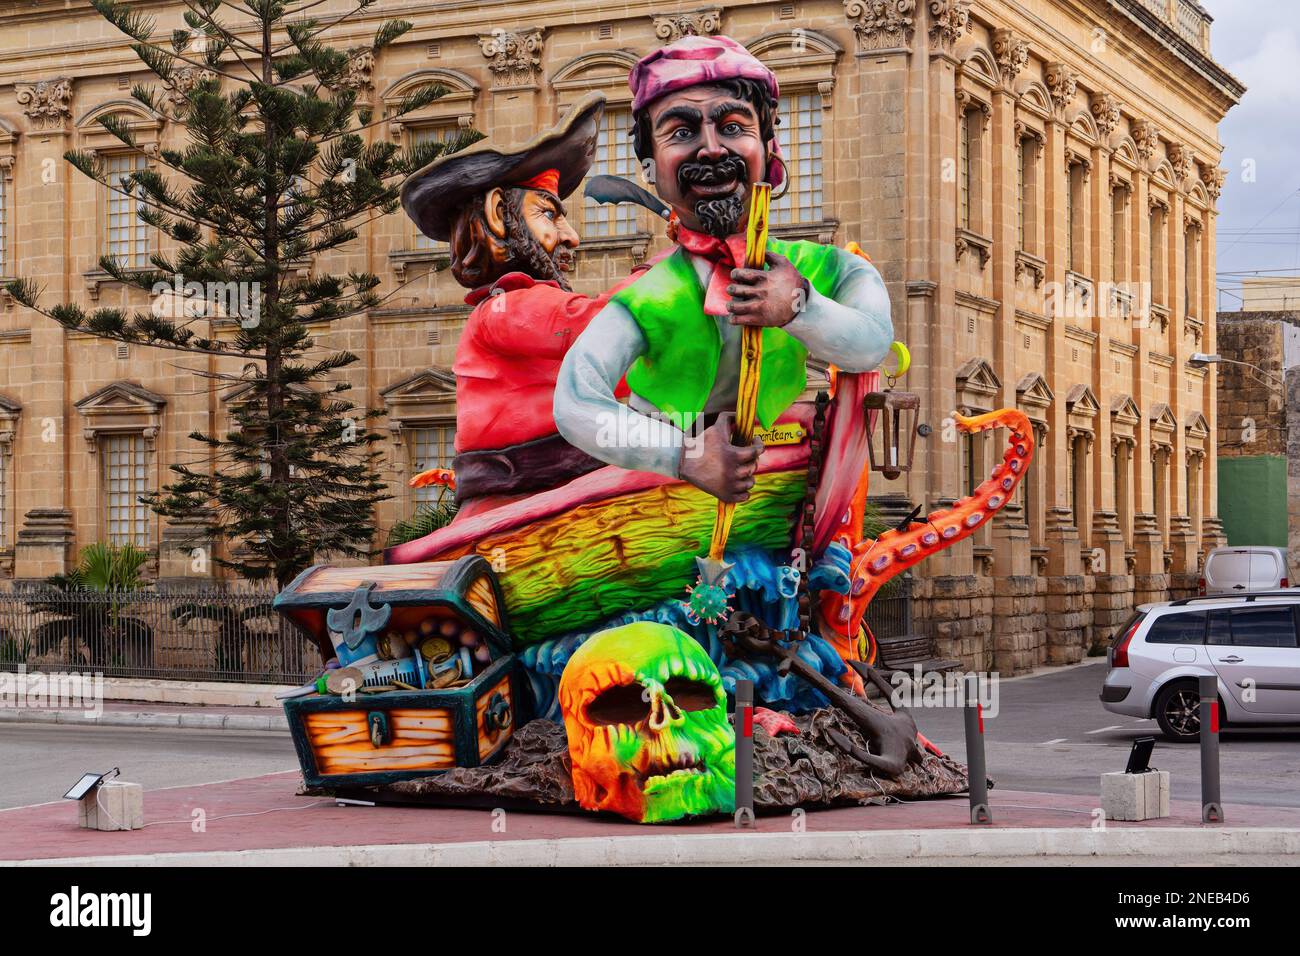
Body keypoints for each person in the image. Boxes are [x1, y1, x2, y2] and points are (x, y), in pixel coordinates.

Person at [553, 36, 893, 503]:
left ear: (768, 147)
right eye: (681, 132)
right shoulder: (650, 297)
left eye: (733, 126)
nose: (711, 150)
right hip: (659, 510)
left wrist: (801, 307)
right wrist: (684, 454)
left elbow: (872, 345)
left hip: (782, 506)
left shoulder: (830, 267)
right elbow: (574, 405)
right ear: (650, 168)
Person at [401, 93, 640, 507]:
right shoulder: (506, 307)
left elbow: (619, 374)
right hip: (532, 493)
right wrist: (672, 271)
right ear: (498, 213)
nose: (571, 236)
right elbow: (601, 327)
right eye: (549, 215)